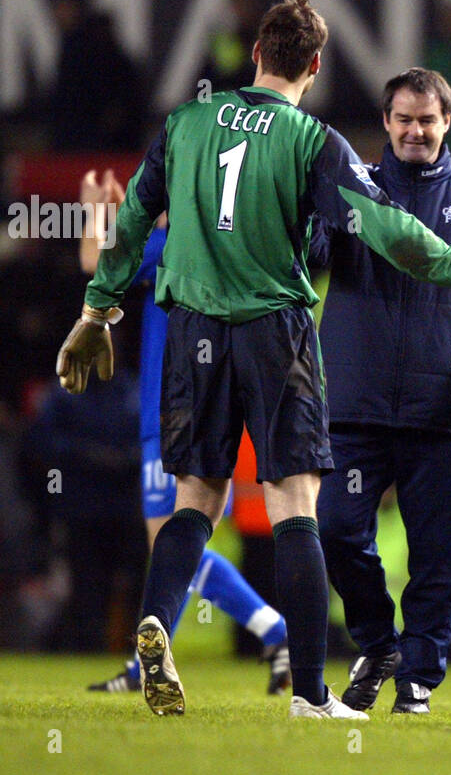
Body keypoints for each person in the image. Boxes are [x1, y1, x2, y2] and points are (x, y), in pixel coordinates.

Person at [54, 0, 451, 719]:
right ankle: (310, 693)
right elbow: (391, 233)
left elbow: (128, 223)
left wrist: (97, 310)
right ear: (314, 65)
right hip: (274, 334)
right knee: (296, 508)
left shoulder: (183, 125)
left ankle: (156, 621)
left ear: (253, 55)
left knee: (195, 502)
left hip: (192, 335)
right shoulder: (314, 139)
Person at [309, 68, 451, 714]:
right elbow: (307, 259)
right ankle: (379, 642)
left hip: (446, 409)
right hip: (354, 406)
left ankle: (418, 678)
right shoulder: (351, 196)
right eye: (404, 119)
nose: (415, 131)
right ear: (386, 123)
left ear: (446, 123)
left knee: (439, 557)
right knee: (335, 529)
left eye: (427, 120)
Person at [76, 170, 293, 696]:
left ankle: (275, 628)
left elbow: (94, 265)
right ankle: (150, 664)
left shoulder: (169, 243)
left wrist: (94, 209)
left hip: (167, 406)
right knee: (172, 541)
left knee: (170, 540)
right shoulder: (214, 237)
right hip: (204, 401)